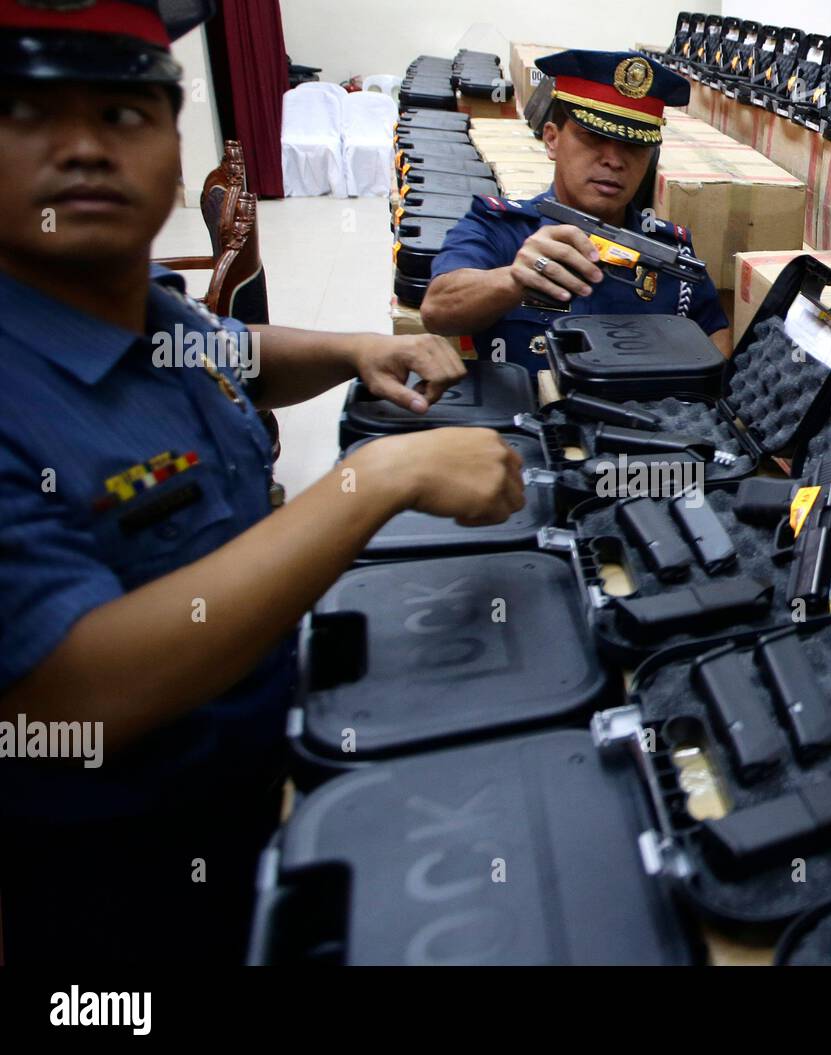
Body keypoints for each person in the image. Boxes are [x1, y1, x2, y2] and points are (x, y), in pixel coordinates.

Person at [0, 0, 524, 964]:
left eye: (122, 114)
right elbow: (62, 698)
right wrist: (377, 477)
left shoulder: (130, 300)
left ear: (170, 136)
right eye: (30, 112)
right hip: (137, 888)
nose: (82, 149)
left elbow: (231, 352)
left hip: (282, 771)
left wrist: (354, 346)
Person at [420, 49, 731, 375]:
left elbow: (715, 335)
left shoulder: (669, 251)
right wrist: (513, 280)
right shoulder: (501, 227)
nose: (614, 160)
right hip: (530, 419)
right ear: (552, 141)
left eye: (634, 146)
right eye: (594, 138)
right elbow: (437, 309)